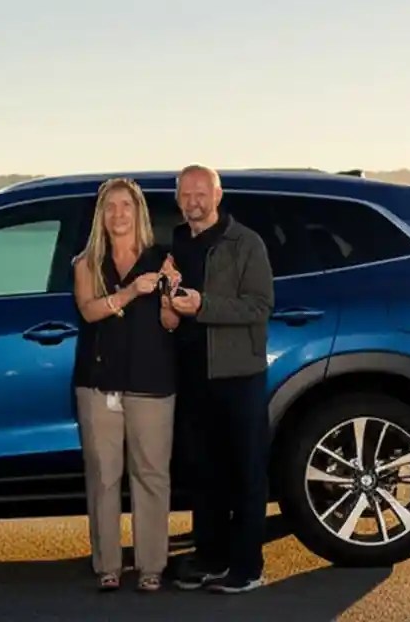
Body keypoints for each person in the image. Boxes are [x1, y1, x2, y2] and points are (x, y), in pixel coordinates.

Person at [161, 164, 274, 594]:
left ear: (218, 194)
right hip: (192, 376)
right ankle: (210, 559)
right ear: (177, 198)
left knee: (245, 472)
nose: (193, 201)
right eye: (186, 194)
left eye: (201, 193)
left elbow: (259, 306)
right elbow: (174, 304)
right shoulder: (178, 242)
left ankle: (247, 568)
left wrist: (202, 305)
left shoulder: (245, 243)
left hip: (237, 375)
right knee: (204, 474)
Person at [71, 177, 181, 593]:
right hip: (99, 384)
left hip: (151, 382)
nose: (118, 214)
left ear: (139, 212)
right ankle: (108, 565)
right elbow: (89, 311)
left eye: (126, 206)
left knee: (151, 475)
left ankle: (152, 566)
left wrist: (169, 296)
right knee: (103, 476)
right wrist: (133, 291)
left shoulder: (160, 259)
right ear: (101, 215)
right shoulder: (86, 262)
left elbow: (170, 323)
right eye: (111, 207)